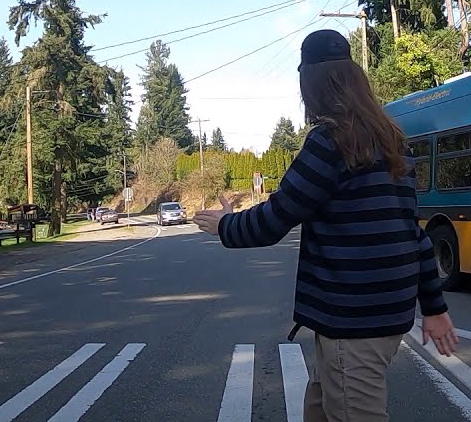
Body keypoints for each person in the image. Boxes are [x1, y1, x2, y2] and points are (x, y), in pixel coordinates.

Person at [195, 29, 457, 422]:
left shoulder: (331, 141)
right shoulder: (391, 140)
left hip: (352, 321)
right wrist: (434, 308)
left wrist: (226, 225)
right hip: (383, 316)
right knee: (318, 410)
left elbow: (278, 216)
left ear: (311, 85)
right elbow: (411, 233)